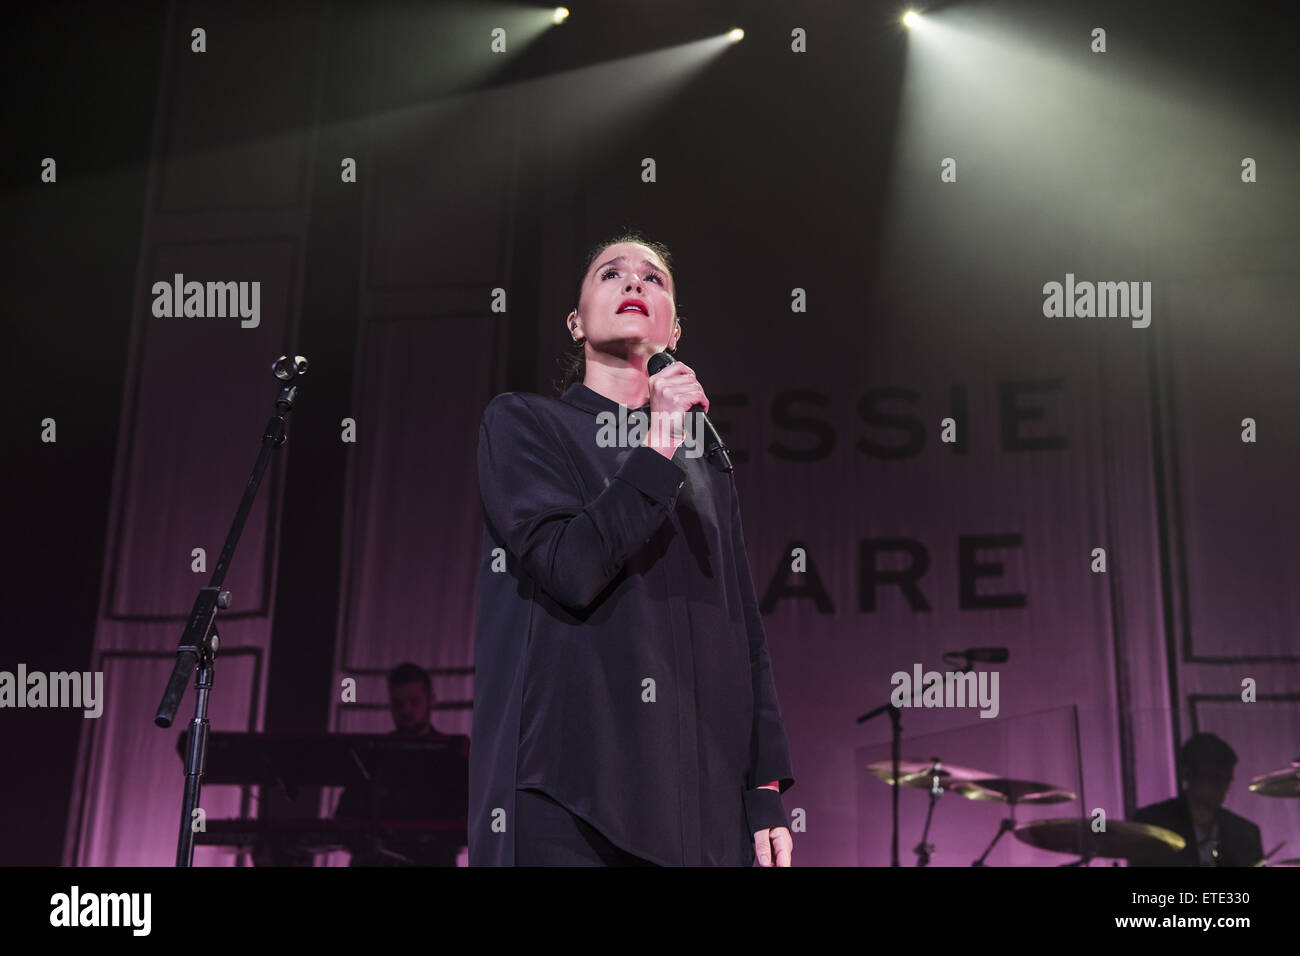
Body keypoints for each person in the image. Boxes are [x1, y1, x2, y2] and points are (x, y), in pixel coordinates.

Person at [470, 231, 795, 866]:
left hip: (697, 803)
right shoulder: (525, 424)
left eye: (654, 278)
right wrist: (661, 436)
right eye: (611, 274)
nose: (635, 283)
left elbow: (743, 633)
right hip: (571, 793)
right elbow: (570, 567)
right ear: (575, 322)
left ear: (677, 325)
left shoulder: (707, 466)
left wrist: (762, 791)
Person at [335, 662, 468, 866]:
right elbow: (346, 815)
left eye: (413, 702)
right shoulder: (374, 754)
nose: (406, 710)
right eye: (398, 704)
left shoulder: (452, 754)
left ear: (431, 701)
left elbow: (465, 819)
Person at [1131, 732, 1263, 866]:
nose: (1221, 786)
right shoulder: (1152, 824)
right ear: (1187, 774)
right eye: (1213, 778)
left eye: (1226, 779)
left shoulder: (1245, 833)